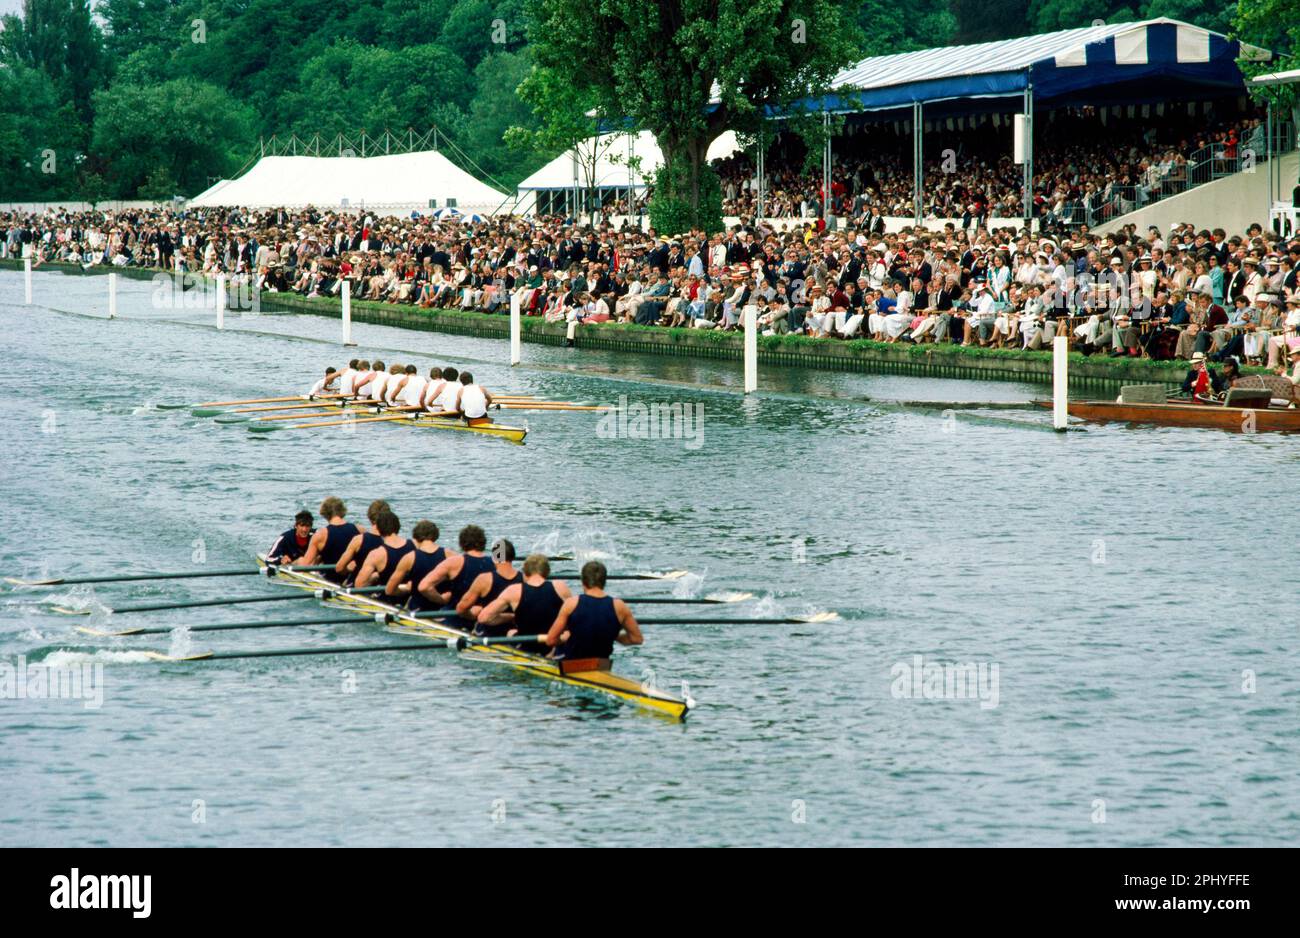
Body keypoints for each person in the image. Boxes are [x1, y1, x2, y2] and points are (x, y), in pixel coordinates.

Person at [542, 560, 643, 660]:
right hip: (602, 665)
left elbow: (550, 640)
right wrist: (614, 635)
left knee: (552, 652)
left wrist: (564, 638)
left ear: (583, 581)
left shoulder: (571, 603)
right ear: (604, 581)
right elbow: (637, 639)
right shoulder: (620, 606)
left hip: (571, 664)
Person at [476, 554, 573, 652]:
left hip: (526, 645)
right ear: (547, 572)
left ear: (525, 573)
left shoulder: (513, 591)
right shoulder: (561, 587)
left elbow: (483, 618)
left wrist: (510, 617)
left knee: (511, 632)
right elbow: (575, 618)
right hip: (553, 643)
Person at [418, 524, 494, 618]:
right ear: (484, 543)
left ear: (461, 543)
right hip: (484, 616)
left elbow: (423, 587)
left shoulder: (453, 562)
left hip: (455, 616)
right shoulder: (495, 564)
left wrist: (441, 599)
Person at [383, 520, 447, 611]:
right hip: (442, 608)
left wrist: (406, 589)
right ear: (436, 536)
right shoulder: (451, 555)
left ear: (416, 537)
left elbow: (389, 590)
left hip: (417, 608)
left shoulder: (409, 558)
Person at [457, 538, 522, 624]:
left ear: (494, 558)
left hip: (489, 631)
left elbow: (461, 609)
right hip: (516, 629)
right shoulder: (524, 578)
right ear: (513, 557)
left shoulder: (484, 579)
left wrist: (473, 616)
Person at [295, 496, 359, 582]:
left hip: (331, 580)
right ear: (342, 511)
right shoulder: (359, 529)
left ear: (324, 513)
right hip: (352, 578)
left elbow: (305, 566)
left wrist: (296, 562)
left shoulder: (320, 535)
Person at [352, 509, 413, 588]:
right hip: (408, 595)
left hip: (386, 596)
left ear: (379, 529)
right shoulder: (413, 545)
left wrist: (375, 576)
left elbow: (359, 585)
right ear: (398, 526)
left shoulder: (376, 554)